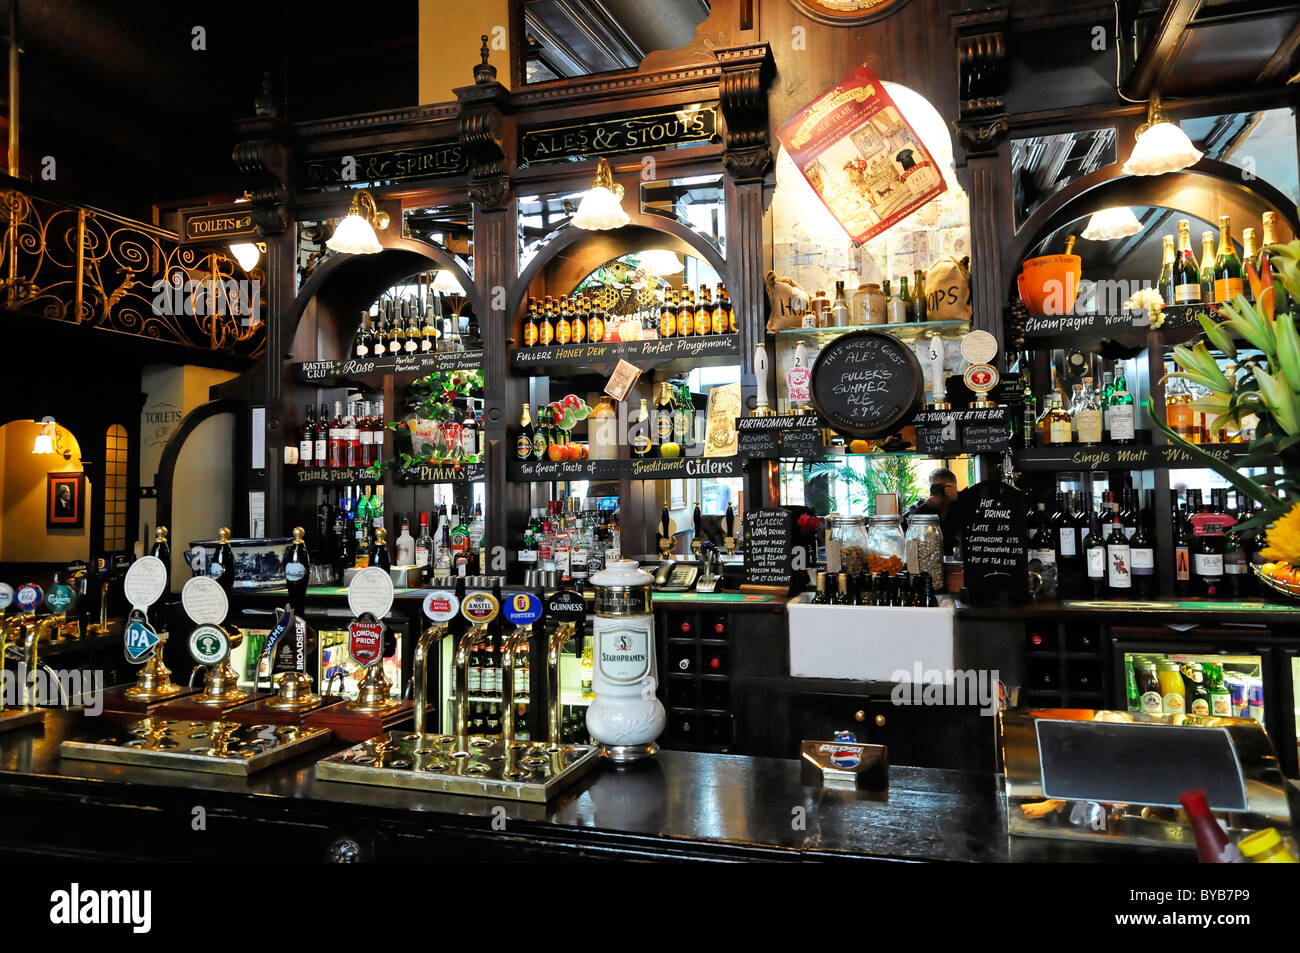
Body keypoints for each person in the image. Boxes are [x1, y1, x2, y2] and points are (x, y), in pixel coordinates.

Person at [905, 468, 963, 555]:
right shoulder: (922, 505)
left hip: (957, 559)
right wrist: (926, 506)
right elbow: (904, 526)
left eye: (944, 487)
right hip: (928, 559)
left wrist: (959, 498)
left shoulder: (962, 504)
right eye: (936, 487)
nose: (940, 491)